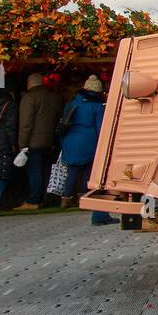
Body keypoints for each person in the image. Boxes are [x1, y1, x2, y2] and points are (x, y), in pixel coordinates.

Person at [59, 75, 115, 225]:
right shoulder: (96, 106)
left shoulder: (73, 102)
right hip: (88, 138)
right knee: (87, 169)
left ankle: (66, 198)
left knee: (72, 169)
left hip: (70, 139)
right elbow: (100, 126)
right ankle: (83, 197)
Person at [16, 72, 64, 209]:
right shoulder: (53, 97)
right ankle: (45, 198)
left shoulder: (29, 98)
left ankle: (33, 200)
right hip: (50, 140)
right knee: (46, 170)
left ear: (29, 83)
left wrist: (22, 144)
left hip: (33, 141)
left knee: (34, 171)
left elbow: (26, 124)